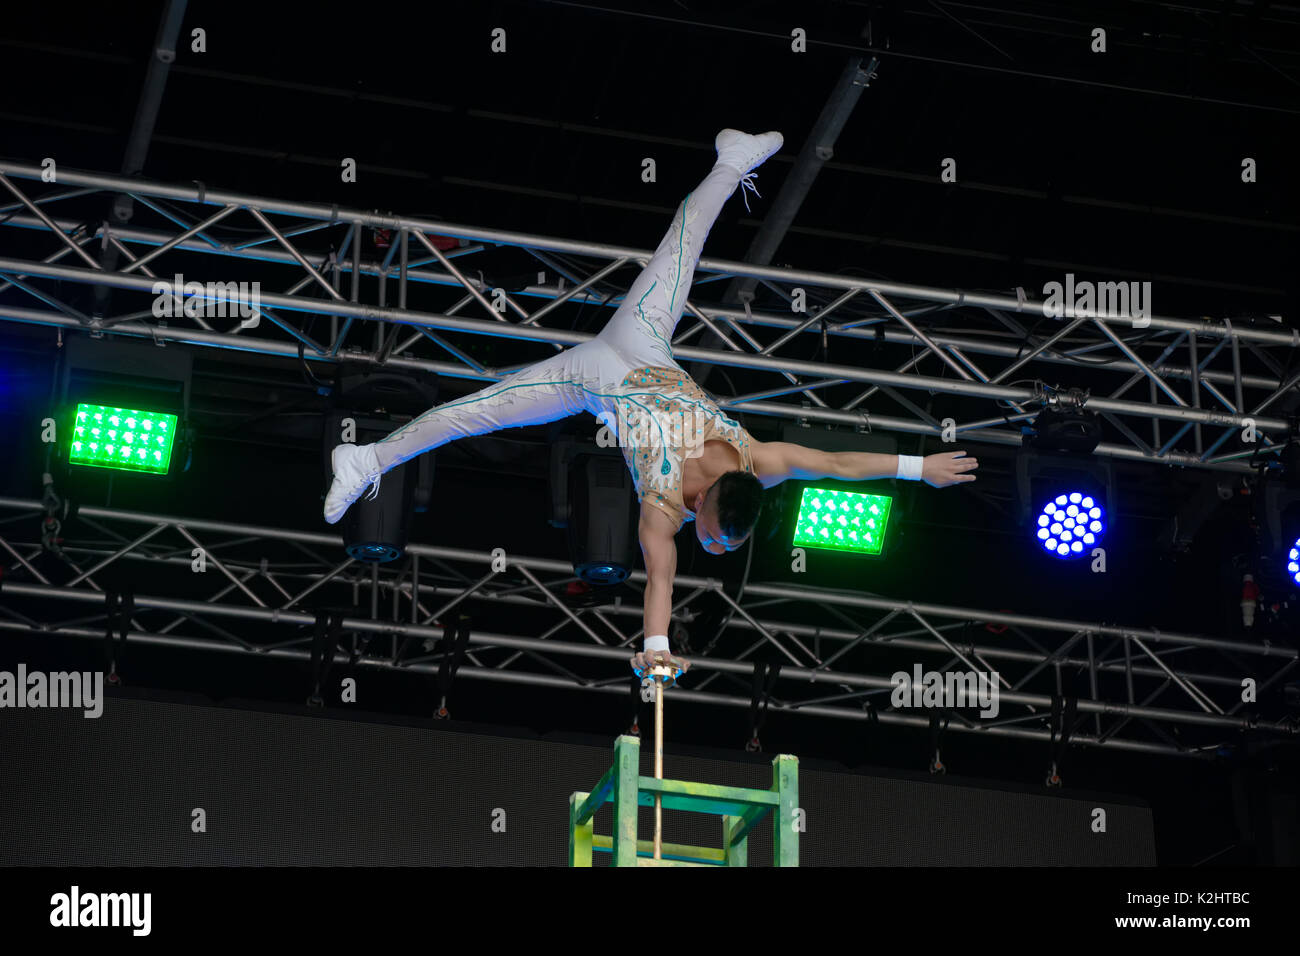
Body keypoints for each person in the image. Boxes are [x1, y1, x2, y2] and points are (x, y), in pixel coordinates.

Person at [322, 129, 978, 677]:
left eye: (721, 544)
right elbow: (835, 464)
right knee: (681, 248)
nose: (714, 547)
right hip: (645, 337)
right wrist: (918, 468)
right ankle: (731, 158)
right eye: (718, 535)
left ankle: (366, 457)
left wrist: (656, 651)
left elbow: (661, 583)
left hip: (588, 380)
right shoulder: (739, 466)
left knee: (477, 411)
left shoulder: (674, 512)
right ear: (711, 497)